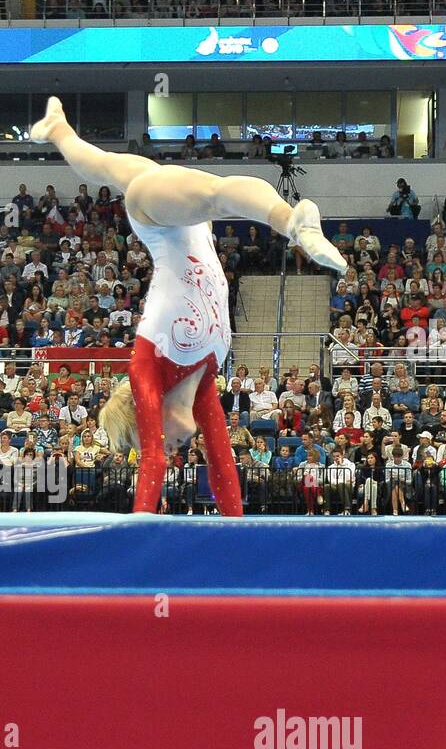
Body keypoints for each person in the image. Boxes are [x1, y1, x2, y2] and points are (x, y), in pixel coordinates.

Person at [28, 96, 346, 514]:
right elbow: (221, 462)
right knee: (105, 165)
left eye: (150, 435)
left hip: (156, 217)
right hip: (187, 222)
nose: (170, 448)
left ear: (148, 412)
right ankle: (59, 130)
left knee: (217, 194)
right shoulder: (203, 381)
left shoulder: (148, 364)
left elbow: (154, 461)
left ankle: (293, 223)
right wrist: (235, 538)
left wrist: (142, 534)